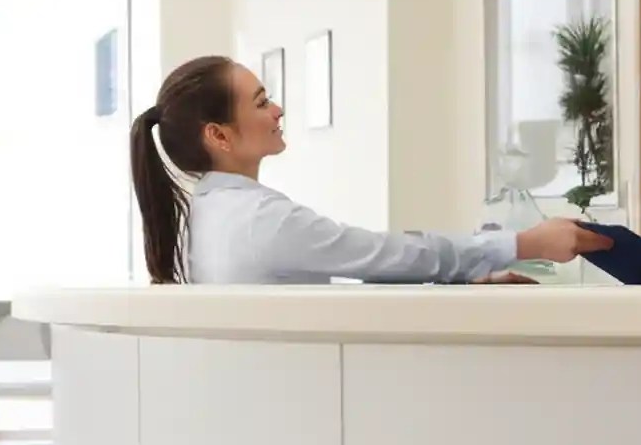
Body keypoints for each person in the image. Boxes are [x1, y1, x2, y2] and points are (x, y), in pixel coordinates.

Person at [129, 55, 610, 284]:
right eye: (260, 102)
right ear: (219, 135)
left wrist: (466, 283)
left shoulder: (206, 213)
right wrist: (525, 243)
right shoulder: (261, 220)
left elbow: (367, 270)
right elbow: (387, 255)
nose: (277, 110)